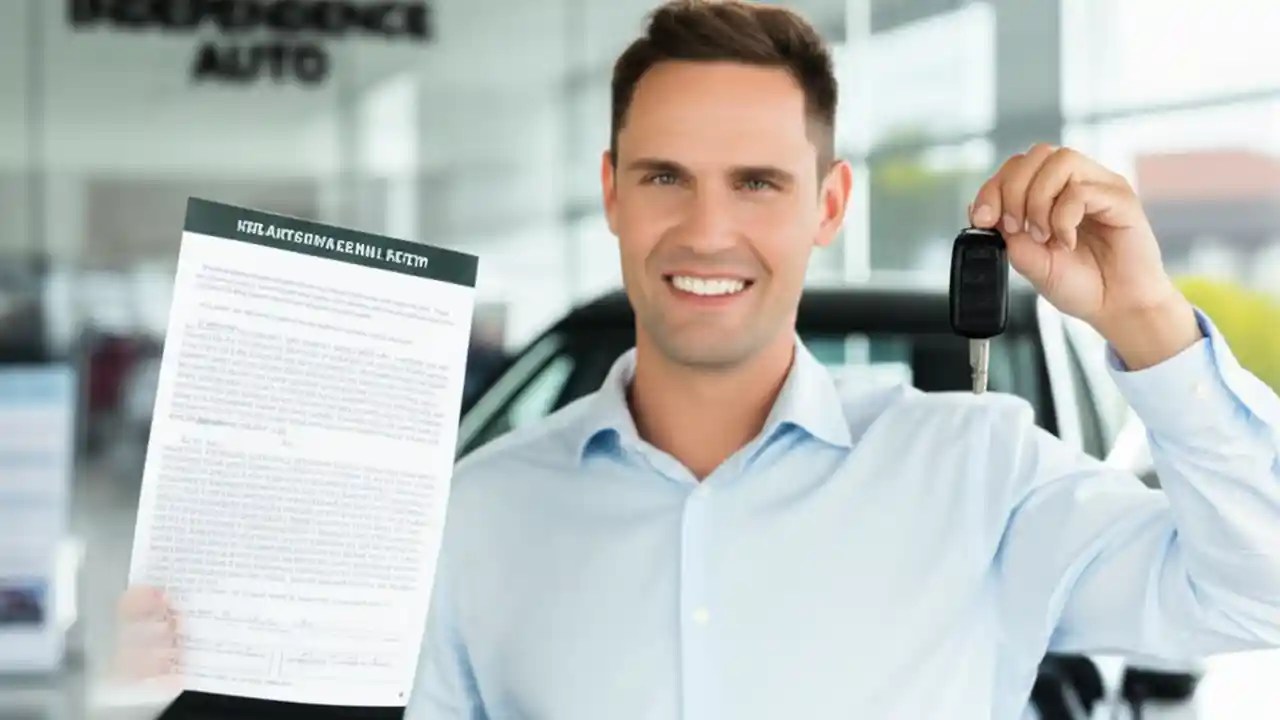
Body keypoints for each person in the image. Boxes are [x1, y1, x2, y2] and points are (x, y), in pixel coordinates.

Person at [114, 1, 1280, 718]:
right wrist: (218, 669)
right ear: (611, 193)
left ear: (827, 205)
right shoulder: (476, 513)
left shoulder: (977, 472)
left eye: (757, 182)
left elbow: (1256, 593)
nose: (706, 231)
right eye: (665, 176)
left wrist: (1143, 317)